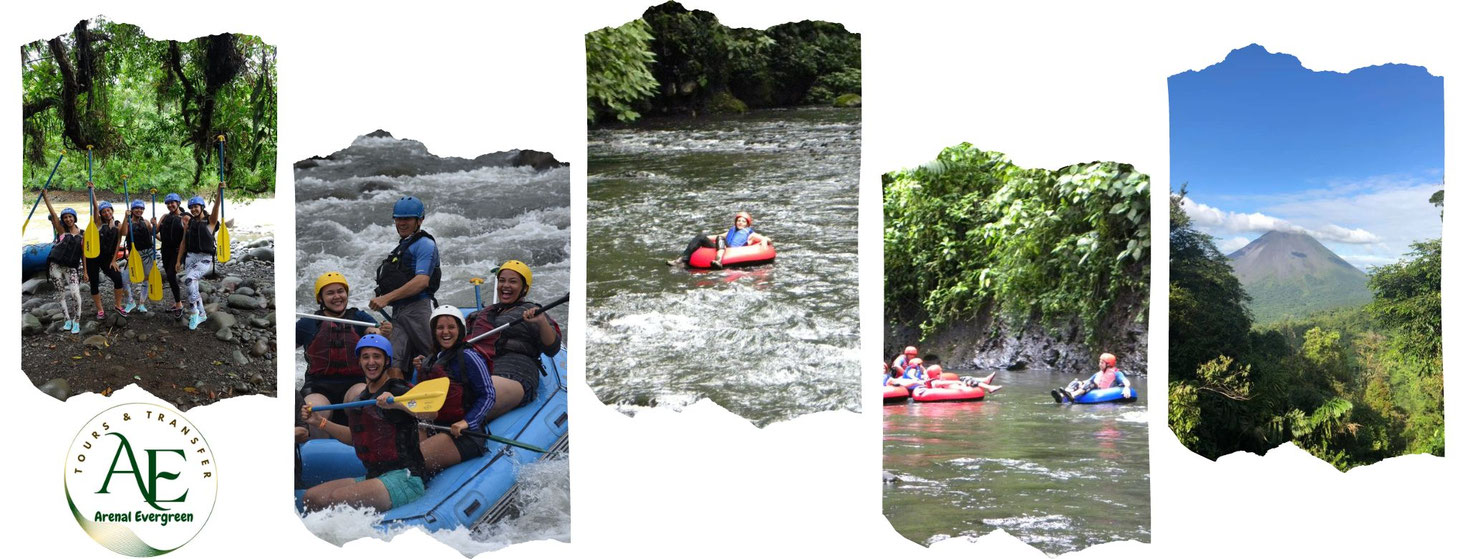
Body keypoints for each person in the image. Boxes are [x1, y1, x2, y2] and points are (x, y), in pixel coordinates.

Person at [300, 335, 428, 512]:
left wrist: (399, 404)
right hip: (374, 476)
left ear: (386, 361)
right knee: (311, 498)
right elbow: (355, 438)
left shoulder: (399, 389)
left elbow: (430, 414)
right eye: (365, 357)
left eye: (377, 356)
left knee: (338, 499)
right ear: (359, 362)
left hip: (405, 477)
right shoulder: (362, 399)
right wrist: (320, 422)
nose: (371, 362)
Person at [297, 272, 393, 432]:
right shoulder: (308, 323)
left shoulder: (358, 317)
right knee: (313, 412)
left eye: (340, 291)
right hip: (318, 386)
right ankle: (316, 451)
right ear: (320, 299)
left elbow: (374, 334)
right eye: (330, 293)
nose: (337, 296)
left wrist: (385, 333)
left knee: (362, 402)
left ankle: (363, 443)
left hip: (354, 382)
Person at [464, 260, 562, 417]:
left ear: (524, 288)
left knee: (469, 398)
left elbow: (553, 349)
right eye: (502, 280)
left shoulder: (531, 311)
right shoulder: (483, 315)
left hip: (514, 371)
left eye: (513, 281)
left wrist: (541, 322)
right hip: (481, 367)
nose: (505, 285)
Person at [413, 305, 496, 474]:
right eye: (440, 328)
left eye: (451, 327)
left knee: (413, 460)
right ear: (433, 332)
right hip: (435, 427)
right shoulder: (430, 360)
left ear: (460, 330)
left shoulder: (469, 357)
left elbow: (488, 395)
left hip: (465, 434)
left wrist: (467, 422)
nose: (446, 332)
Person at [370, 196, 441, 374]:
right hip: (399, 313)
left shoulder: (425, 244)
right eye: (398, 218)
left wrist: (386, 298)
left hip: (420, 309)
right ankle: (396, 395)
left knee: (436, 357)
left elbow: (422, 281)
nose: (401, 223)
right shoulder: (402, 247)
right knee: (393, 364)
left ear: (420, 220)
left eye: (407, 219)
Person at [175, 193, 221, 330]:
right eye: (191, 207)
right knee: (192, 285)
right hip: (190, 257)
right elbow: (183, 242)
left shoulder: (210, 221)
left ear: (201, 207)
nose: (194, 209)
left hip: (205, 258)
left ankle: (194, 312)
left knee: (189, 280)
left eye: (196, 207)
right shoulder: (190, 223)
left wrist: (219, 191)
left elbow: (216, 206)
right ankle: (202, 314)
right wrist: (178, 261)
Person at [41, 190, 85, 334]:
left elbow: (84, 254)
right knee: (61, 294)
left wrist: (85, 271)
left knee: (75, 294)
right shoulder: (61, 231)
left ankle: (76, 321)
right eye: (65, 217)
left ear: (74, 218)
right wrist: (46, 197)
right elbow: (53, 214)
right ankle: (67, 319)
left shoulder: (83, 235)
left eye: (70, 217)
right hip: (56, 267)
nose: (68, 219)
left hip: (71, 268)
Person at [666, 211, 771, 268]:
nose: (740, 223)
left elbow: (766, 238)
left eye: (743, 221)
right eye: (739, 221)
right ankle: (681, 260)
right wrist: (703, 238)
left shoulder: (750, 234)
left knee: (720, 238)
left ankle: (718, 260)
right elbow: (716, 236)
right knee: (700, 236)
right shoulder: (731, 231)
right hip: (723, 247)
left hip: (734, 252)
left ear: (747, 224)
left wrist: (765, 240)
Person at [85, 183, 127, 319]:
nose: (107, 213)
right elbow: (96, 207)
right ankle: (100, 310)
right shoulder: (97, 223)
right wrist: (92, 191)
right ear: (101, 214)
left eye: (109, 210)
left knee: (118, 279)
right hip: (93, 257)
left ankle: (118, 305)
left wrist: (114, 260)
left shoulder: (117, 225)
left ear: (112, 211)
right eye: (104, 212)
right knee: (94, 283)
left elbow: (119, 242)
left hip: (108, 259)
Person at [121, 200, 156, 313]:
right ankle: (130, 302)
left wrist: (155, 225)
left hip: (147, 254)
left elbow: (154, 233)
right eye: (136, 208)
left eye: (141, 208)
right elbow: (123, 233)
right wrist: (125, 218)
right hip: (134, 255)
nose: (139, 210)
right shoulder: (128, 223)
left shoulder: (146, 222)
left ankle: (142, 303)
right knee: (124, 279)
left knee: (146, 279)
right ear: (131, 209)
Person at [1052, 352, 1131, 403]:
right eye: (1099, 362)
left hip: (1105, 392)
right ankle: (1062, 396)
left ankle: (1073, 395)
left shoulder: (1117, 373)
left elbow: (1126, 381)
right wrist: (1079, 383)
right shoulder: (1099, 374)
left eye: (1102, 363)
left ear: (1108, 364)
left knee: (1091, 383)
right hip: (1095, 390)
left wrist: (1126, 387)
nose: (1099, 364)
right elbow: (1087, 381)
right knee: (1076, 382)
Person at [157, 193, 187, 317]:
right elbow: (155, 232)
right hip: (165, 251)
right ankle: (177, 302)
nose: (170, 205)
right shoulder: (164, 217)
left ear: (178, 203)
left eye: (172, 203)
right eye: (168, 204)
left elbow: (185, 240)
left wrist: (179, 259)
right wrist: (153, 225)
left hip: (177, 251)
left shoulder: (185, 218)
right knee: (170, 277)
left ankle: (179, 304)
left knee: (170, 274)